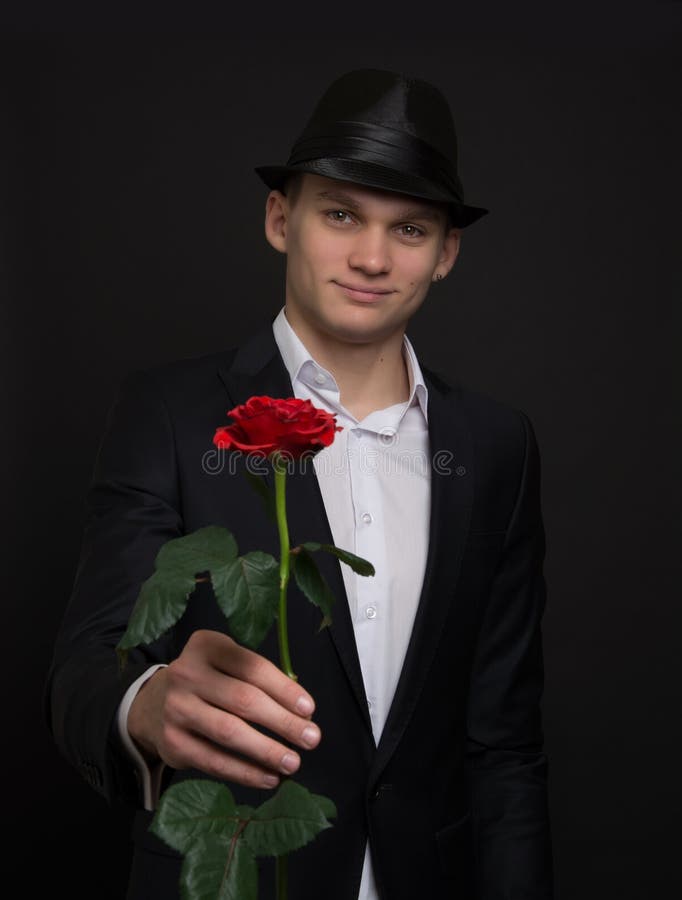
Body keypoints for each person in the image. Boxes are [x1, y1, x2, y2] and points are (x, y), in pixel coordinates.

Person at [44, 68, 554, 899]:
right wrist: (144, 704)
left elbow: (505, 746)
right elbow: (83, 669)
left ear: (447, 253)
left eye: (412, 228)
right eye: (342, 213)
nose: (372, 257)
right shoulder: (167, 415)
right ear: (282, 218)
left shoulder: (497, 447)